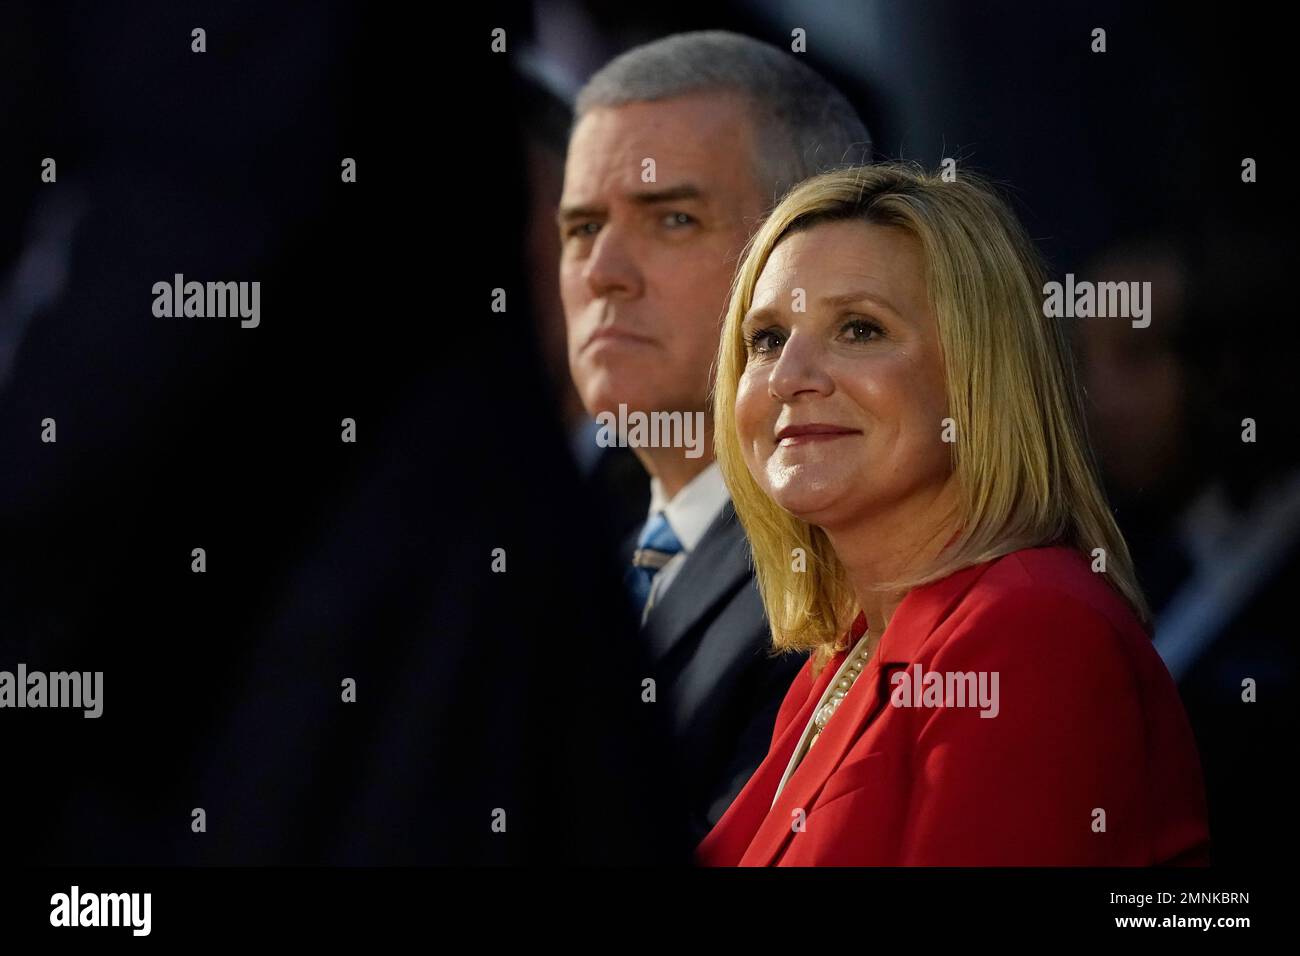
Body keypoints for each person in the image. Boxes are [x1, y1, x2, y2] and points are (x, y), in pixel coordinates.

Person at [696, 163, 1212, 865]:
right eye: (766, 339)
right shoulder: (845, 655)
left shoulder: (1031, 632)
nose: (790, 376)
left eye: (858, 329)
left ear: (979, 378)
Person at [558, 30, 871, 842]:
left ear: (813, 250)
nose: (602, 271)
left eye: (672, 217)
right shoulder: (575, 535)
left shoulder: (854, 573)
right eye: (582, 227)